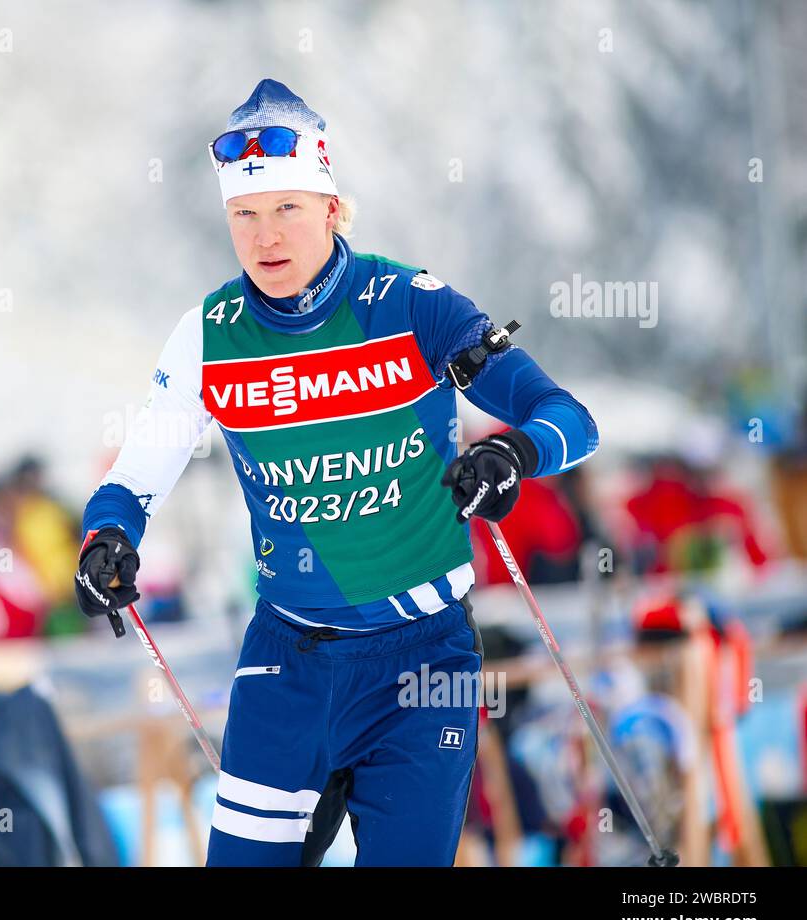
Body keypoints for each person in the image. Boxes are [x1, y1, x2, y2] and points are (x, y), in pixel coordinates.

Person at [73, 79, 599, 866]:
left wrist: (511, 455)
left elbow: (570, 419)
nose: (265, 237)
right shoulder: (209, 335)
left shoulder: (411, 305)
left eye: (287, 207)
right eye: (244, 215)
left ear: (329, 205)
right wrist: (106, 538)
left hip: (424, 668)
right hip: (288, 665)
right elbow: (138, 473)